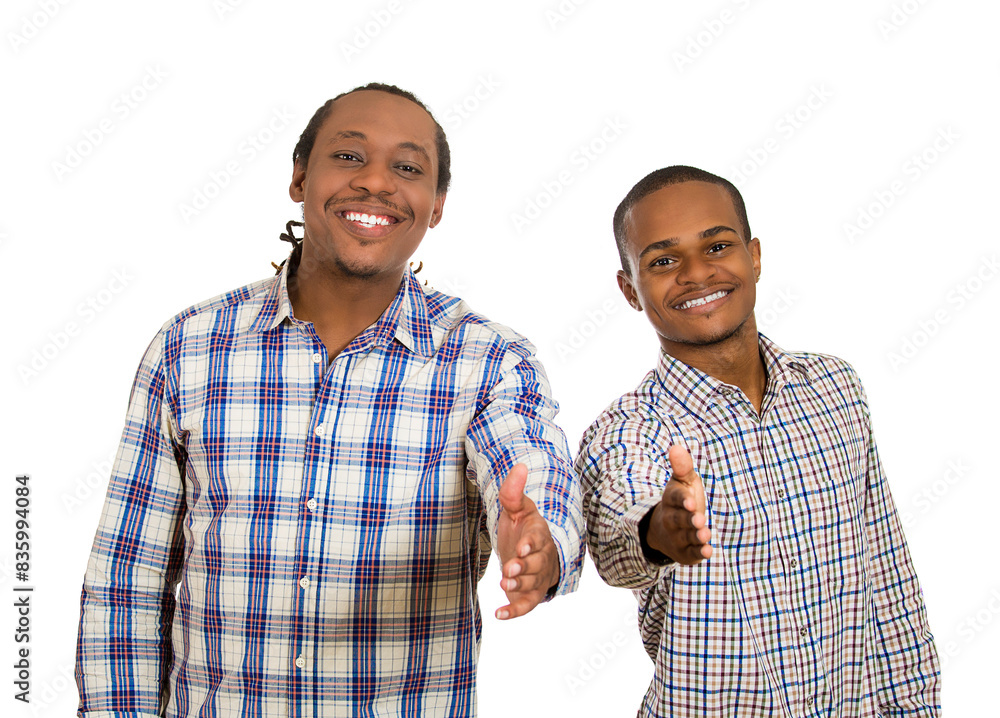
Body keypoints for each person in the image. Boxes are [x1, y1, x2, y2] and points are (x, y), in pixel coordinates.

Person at [75, 83, 584, 717]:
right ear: (299, 177)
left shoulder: (489, 360)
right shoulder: (188, 346)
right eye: (348, 156)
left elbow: (532, 465)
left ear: (437, 206)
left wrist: (539, 538)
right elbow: (127, 579)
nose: (375, 181)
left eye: (408, 168)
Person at [575, 166, 940, 717]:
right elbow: (616, 543)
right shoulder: (627, 430)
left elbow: (887, 572)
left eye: (717, 246)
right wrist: (660, 531)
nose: (696, 273)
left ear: (755, 257)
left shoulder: (836, 387)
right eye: (663, 261)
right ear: (630, 290)